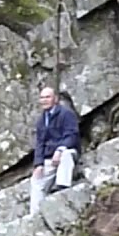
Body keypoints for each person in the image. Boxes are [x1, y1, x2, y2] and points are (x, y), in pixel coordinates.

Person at [30, 86, 80, 215]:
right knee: (36, 180)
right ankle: (35, 214)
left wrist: (60, 149)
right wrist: (38, 164)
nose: (44, 100)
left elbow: (72, 135)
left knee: (66, 155)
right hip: (50, 158)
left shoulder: (66, 113)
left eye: (47, 97)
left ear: (55, 99)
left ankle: (62, 188)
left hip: (67, 151)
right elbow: (40, 143)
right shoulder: (41, 120)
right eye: (42, 97)